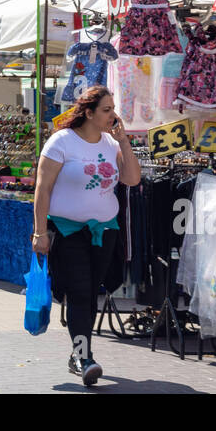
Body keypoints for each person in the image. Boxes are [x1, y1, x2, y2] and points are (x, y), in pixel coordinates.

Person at [31, 85, 139, 387]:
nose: (112, 115)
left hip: (105, 231)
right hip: (68, 231)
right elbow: (43, 189)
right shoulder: (61, 142)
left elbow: (131, 179)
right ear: (88, 112)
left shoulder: (110, 143)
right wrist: (40, 231)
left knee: (91, 294)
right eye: (106, 110)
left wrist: (124, 143)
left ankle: (78, 353)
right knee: (79, 292)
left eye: (113, 109)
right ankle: (83, 356)